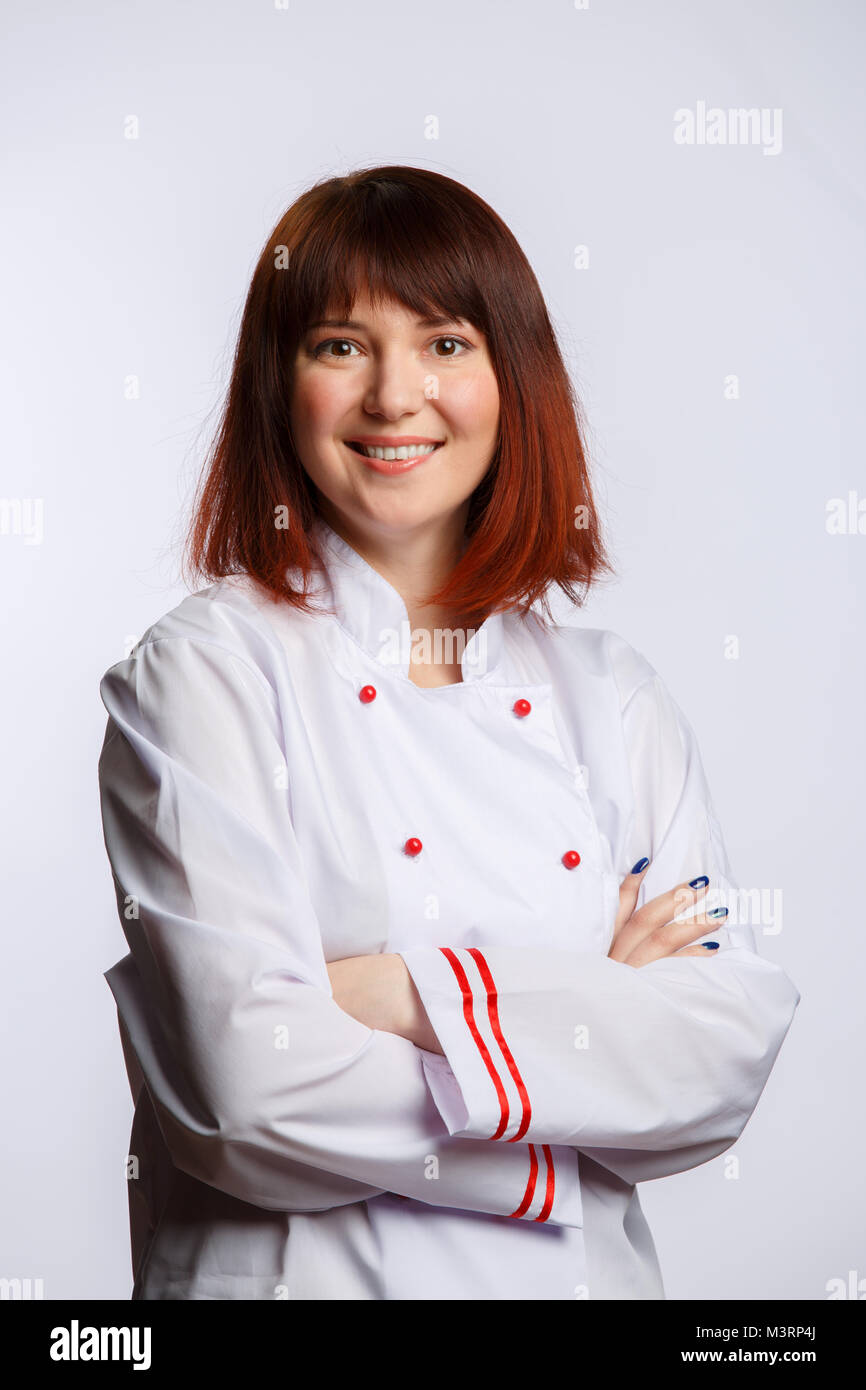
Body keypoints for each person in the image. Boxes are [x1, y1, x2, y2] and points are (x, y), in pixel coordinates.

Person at [96, 165, 800, 1300]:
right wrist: (584, 1012)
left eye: (444, 343)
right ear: (277, 386)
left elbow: (721, 1053)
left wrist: (388, 991)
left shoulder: (612, 697)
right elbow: (245, 1088)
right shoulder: (202, 676)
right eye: (338, 345)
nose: (393, 396)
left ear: (511, 380)